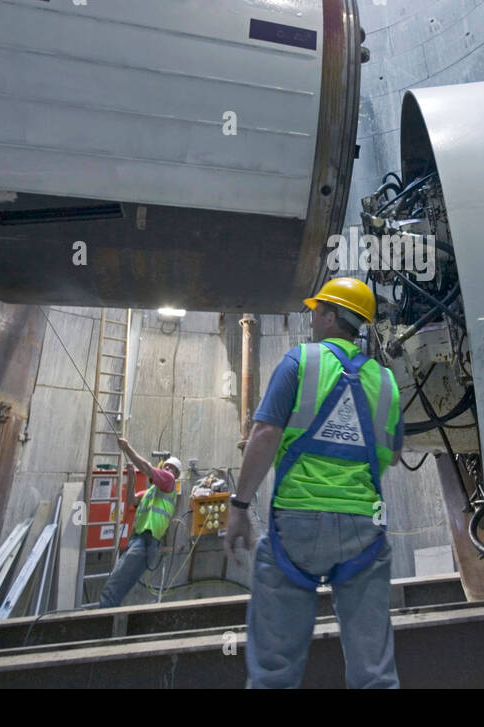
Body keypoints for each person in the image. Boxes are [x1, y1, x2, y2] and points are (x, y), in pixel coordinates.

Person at [225, 277, 403, 688]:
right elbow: (392, 454)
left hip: (296, 529)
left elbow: (265, 434)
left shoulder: (298, 362)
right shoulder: (387, 383)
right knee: (375, 674)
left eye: (315, 310)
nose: (311, 317)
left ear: (327, 315)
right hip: (363, 529)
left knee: (273, 674)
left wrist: (239, 507)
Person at [97, 438, 182, 608]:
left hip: (145, 541)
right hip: (137, 541)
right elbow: (131, 500)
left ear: (176, 474)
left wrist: (127, 447)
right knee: (116, 590)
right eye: (166, 465)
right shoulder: (152, 491)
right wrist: (131, 478)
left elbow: (145, 468)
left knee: (111, 591)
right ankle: (108, 624)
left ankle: (101, 626)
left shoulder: (169, 480)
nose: (167, 468)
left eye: (171, 468)